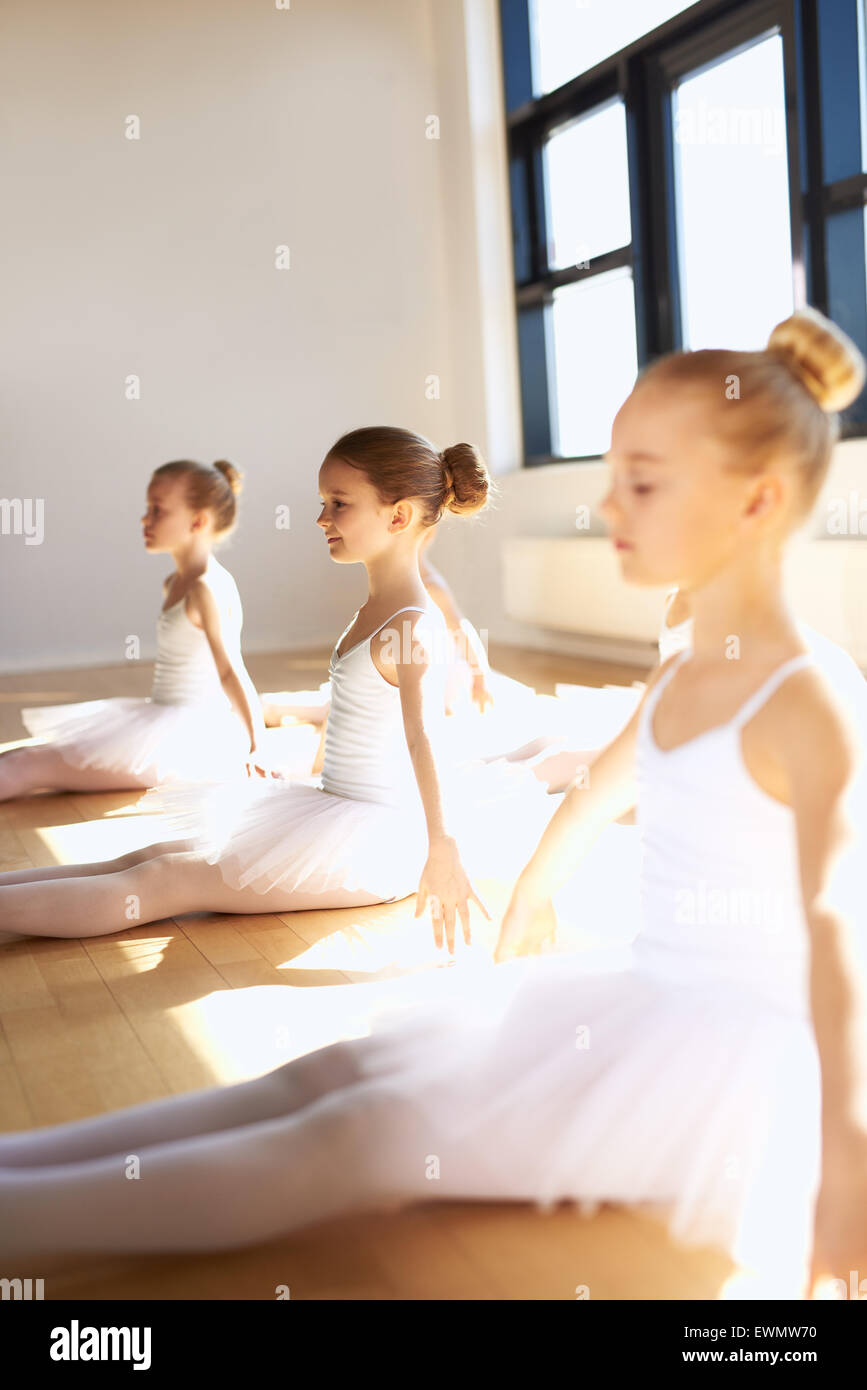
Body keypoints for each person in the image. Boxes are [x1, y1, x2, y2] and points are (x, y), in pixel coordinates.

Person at [2, 310, 865, 1301]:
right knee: (333, 1077)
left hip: (725, 1061)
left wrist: (847, 1158)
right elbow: (595, 787)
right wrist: (536, 887)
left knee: (361, 1140)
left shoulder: (810, 695)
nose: (607, 499)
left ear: (755, 502)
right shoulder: (682, 672)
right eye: (612, 469)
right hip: (638, 993)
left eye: (643, 478)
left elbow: (840, 930)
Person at [0, 428, 553, 941]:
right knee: (149, 855)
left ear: (399, 516)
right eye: (322, 503)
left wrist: (443, 846)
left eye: (338, 503)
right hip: (334, 806)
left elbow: (423, 739)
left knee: (164, 881)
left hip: (377, 842)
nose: (321, 518)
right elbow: (351, 716)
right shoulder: (377, 610)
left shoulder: (410, 622)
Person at [0, 460, 271, 800]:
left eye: (157, 510)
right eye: (148, 508)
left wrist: (257, 745)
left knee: (26, 766)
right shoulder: (174, 582)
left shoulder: (206, 588)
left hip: (184, 739)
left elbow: (231, 671)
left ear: (198, 521)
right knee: (19, 758)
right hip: (159, 718)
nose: (145, 519)